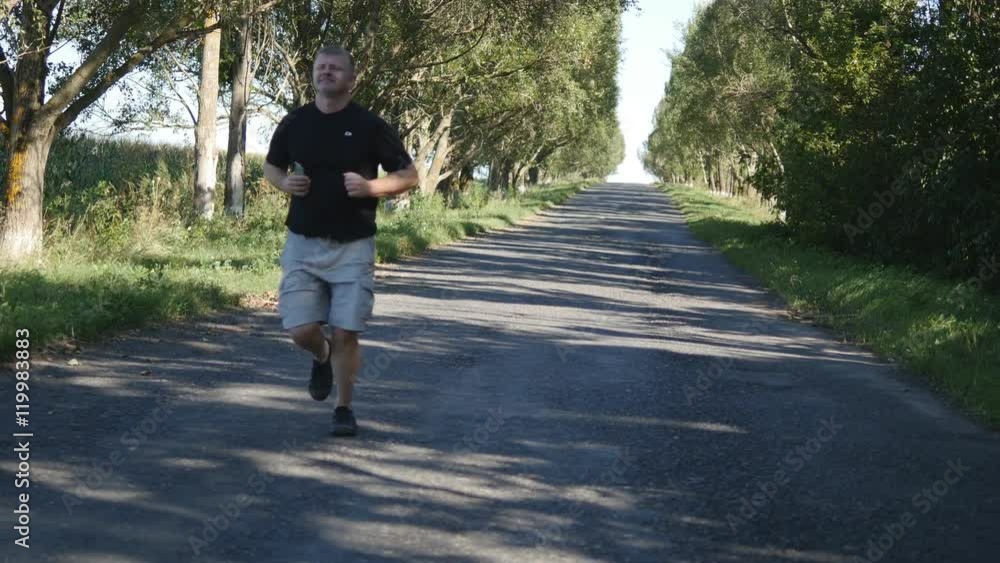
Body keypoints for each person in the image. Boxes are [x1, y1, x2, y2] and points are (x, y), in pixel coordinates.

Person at [263, 44, 418, 436]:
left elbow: (409, 174)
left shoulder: (370, 125)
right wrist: (285, 182)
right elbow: (271, 166)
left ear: (351, 80)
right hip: (302, 241)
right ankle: (322, 355)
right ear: (313, 75)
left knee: (347, 329)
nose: (326, 72)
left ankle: (343, 408)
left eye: (335, 68)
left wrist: (371, 187)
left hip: (353, 245)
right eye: (321, 67)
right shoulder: (294, 121)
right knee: (300, 330)